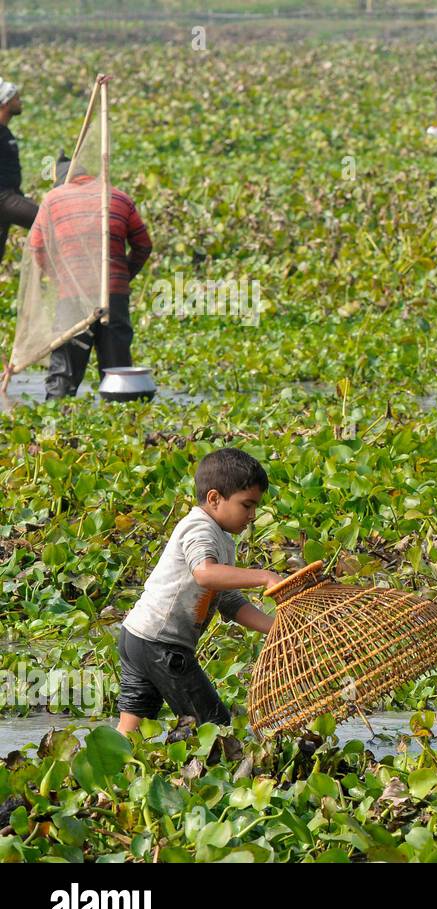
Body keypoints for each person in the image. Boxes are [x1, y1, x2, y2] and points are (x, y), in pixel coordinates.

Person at [116, 449, 284, 734]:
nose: (253, 515)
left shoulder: (222, 538)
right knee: (214, 726)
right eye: (247, 505)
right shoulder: (200, 528)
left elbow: (228, 601)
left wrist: (276, 628)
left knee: (132, 727)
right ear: (215, 498)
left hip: (138, 637)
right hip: (161, 644)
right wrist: (264, 576)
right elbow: (204, 574)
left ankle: (111, 774)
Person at [32, 154, 152, 400]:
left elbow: (37, 248)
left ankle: (55, 426)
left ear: (63, 181)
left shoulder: (53, 200)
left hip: (73, 296)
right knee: (117, 372)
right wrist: (122, 277)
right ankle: (123, 424)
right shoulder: (119, 197)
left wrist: (60, 278)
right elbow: (144, 245)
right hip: (113, 295)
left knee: (63, 373)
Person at [0, 79, 38, 263]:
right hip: (3, 198)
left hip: (10, 196)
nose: (20, 102)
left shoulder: (5, 133)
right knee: (46, 220)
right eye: (16, 99)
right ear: (5, 103)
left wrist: (21, 197)